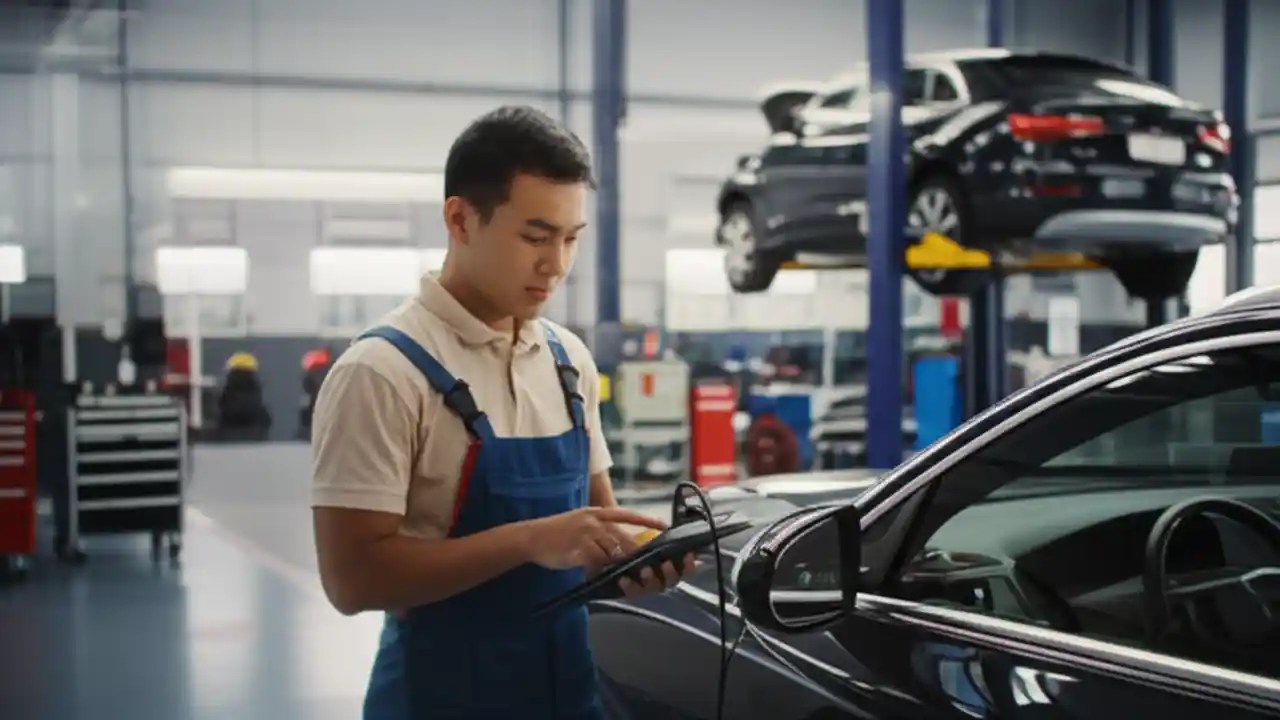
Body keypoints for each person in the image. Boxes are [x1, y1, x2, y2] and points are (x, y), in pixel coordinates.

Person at [310, 105, 693, 720]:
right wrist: (530, 540)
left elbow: (595, 528)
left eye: (571, 238)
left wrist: (636, 561)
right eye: (535, 237)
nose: (556, 264)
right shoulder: (381, 373)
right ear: (460, 219)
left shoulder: (569, 361)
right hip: (439, 702)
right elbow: (353, 580)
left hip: (570, 695)